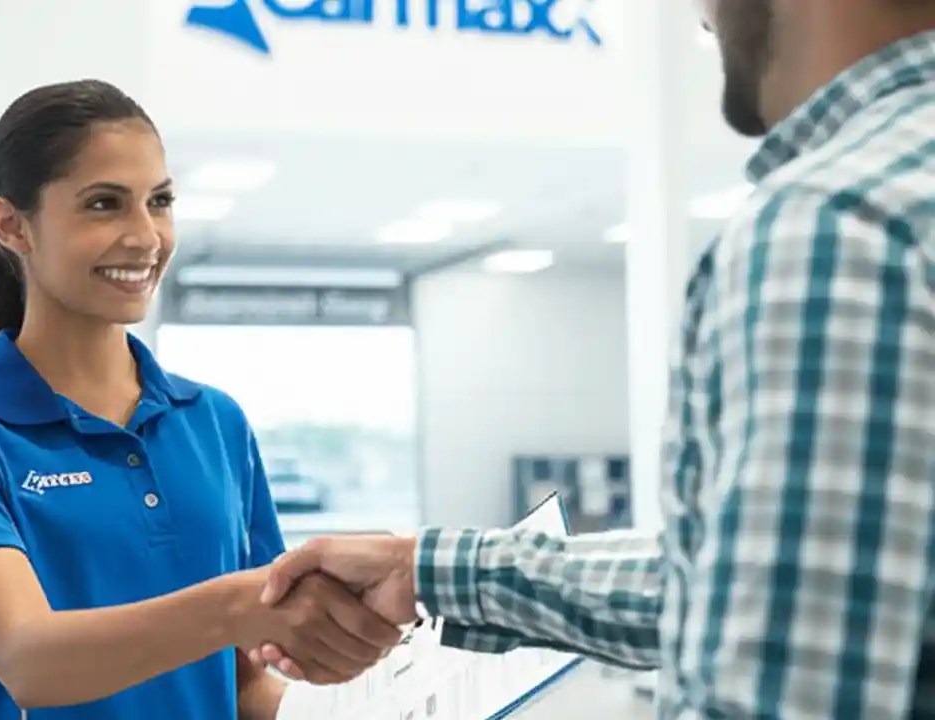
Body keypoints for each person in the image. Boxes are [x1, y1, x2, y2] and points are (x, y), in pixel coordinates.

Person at [256, 2, 935, 717]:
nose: (701, 18)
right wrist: (422, 568)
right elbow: (757, 586)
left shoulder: (837, 228)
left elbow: (786, 688)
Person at [0, 79, 402, 720]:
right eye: (104, 204)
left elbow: (244, 684)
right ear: (11, 225)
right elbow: (29, 659)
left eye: (159, 201)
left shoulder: (216, 422)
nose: (147, 236)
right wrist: (239, 606)